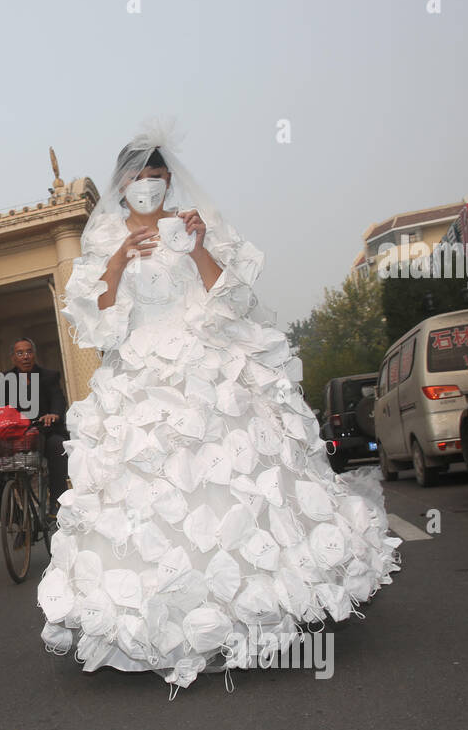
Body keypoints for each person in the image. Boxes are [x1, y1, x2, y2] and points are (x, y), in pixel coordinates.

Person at [35, 118, 402, 693]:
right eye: (138, 177)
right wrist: (120, 262)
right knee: (153, 492)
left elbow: (228, 299)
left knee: (233, 483)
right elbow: (98, 319)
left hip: (209, 360)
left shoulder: (189, 226)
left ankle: (251, 613)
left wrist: (201, 246)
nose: (148, 187)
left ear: (168, 181)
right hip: (142, 368)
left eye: (157, 177)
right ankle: (164, 622)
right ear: (121, 182)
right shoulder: (105, 239)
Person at [0, 337, 70, 520]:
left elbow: (57, 398)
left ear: (34, 355)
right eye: (20, 353)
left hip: (45, 431)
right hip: (17, 438)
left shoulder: (48, 376)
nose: (25, 356)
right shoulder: (6, 379)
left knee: (58, 445)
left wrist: (54, 414)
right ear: (13, 358)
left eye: (29, 352)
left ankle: (57, 501)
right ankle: (17, 520)